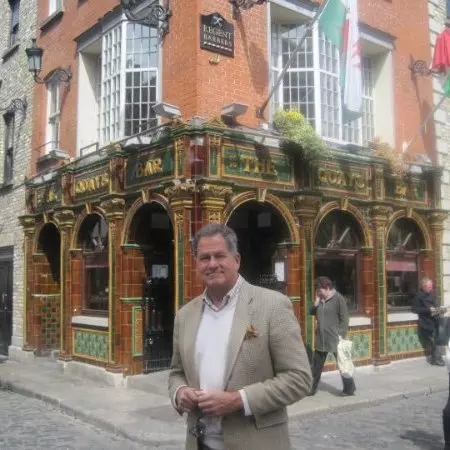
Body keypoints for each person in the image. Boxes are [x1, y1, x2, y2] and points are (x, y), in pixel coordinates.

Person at [168, 224, 312, 450]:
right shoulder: (185, 315)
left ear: (236, 260)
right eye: (204, 258)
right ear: (196, 263)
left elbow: (299, 378)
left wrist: (239, 400)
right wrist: (180, 393)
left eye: (219, 256)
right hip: (200, 443)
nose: (212, 264)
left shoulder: (272, 306)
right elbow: (176, 373)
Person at [309, 276, 356, 397]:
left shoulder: (338, 298)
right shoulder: (320, 300)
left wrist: (340, 333)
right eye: (317, 290)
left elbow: (344, 318)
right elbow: (311, 312)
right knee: (316, 366)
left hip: (335, 338)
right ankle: (311, 389)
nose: (318, 293)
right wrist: (316, 302)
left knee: (342, 363)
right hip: (321, 338)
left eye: (319, 290)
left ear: (327, 288)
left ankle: (349, 388)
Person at [412, 277, 445, 366]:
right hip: (425, 322)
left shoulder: (432, 295)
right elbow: (415, 309)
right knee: (434, 341)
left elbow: (435, 306)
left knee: (438, 340)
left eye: (431, 287)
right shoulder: (418, 296)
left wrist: (439, 309)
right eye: (429, 287)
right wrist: (428, 309)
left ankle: (435, 359)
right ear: (424, 287)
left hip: (435, 321)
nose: (431, 289)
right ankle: (437, 359)